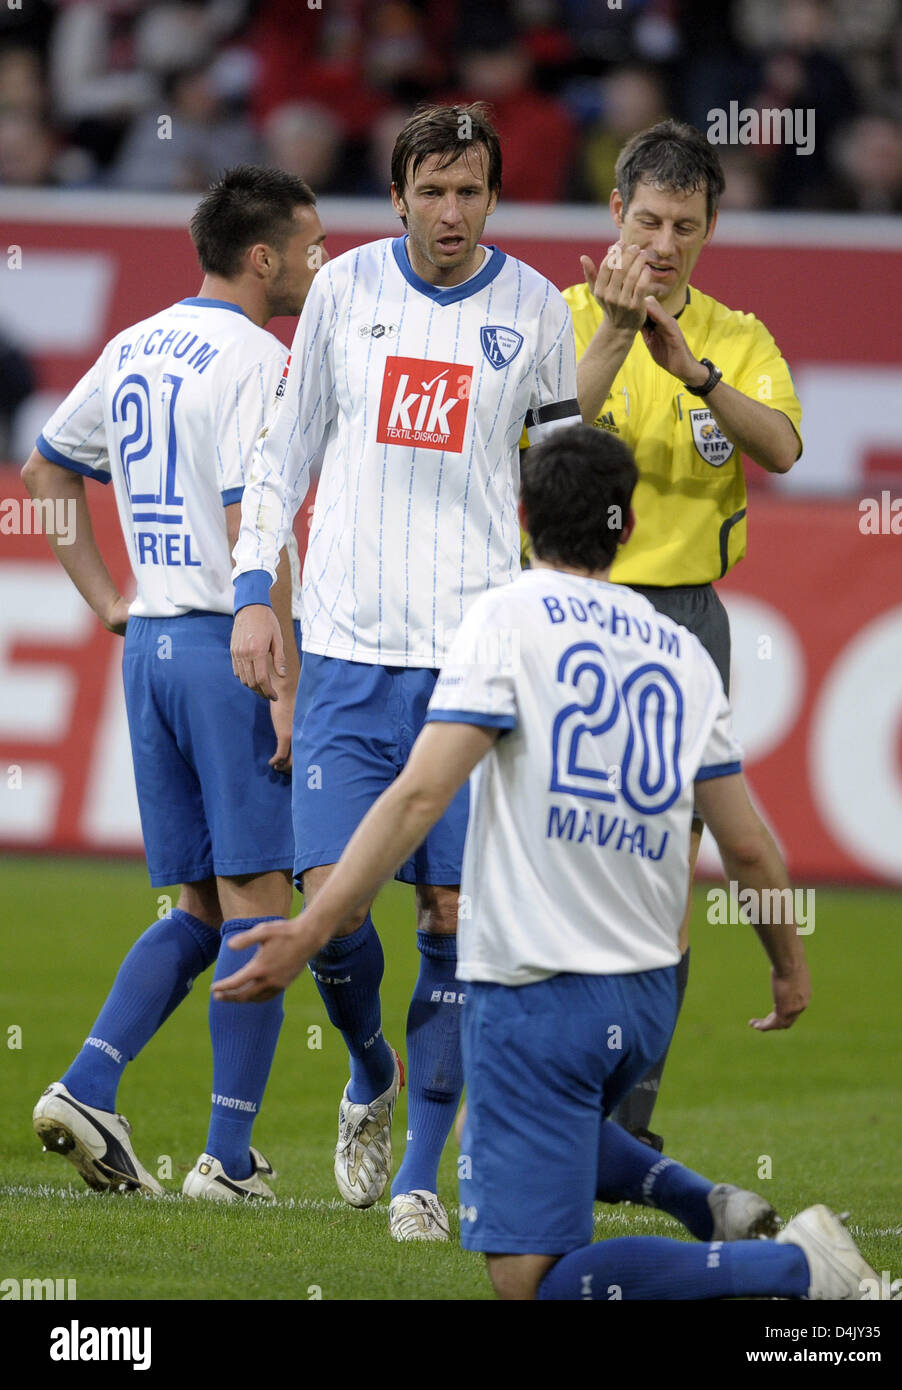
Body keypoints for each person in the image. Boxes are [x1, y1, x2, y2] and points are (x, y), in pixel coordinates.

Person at [213, 424, 882, 1303]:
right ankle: (701, 1203)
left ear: (521, 518)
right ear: (628, 526)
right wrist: (788, 970)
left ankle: (794, 1270)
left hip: (539, 988)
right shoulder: (680, 653)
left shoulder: (504, 617)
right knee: (550, 1113)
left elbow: (418, 798)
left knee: (526, 1277)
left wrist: (309, 927)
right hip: (643, 997)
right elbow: (747, 845)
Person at [229, 102, 580, 1241]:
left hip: (475, 659)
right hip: (342, 648)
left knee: (450, 909)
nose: (450, 211)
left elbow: (562, 486)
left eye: (470, 190)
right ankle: (371, 1069)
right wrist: (252, 597)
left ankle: (425, 1172)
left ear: (492, 196)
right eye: (431, 190)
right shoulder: (342, 294)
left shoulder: (534, 309)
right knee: (330, 911)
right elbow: (281, 458)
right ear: (396, 197)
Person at [23, 165, 327, 1201]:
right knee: (257, 904)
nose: (318, 261)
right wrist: (282, 675)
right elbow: (262, 519)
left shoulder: (136, 340)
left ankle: (88, 1084)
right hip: (224, 648)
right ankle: (227, 1160)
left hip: (148, 646)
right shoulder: (260, 359)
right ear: (262, 257)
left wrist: (108, 599)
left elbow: (44, 472)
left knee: (197, 902)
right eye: (309, 245)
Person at [566, 118, 803, 1148]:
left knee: (665, 873)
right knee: (544, 857)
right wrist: (620, 337)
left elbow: (784, 447)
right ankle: (533, 1105)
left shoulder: (737, 336)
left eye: (686, 226)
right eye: (650, 220)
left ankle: (629, 1119)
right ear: (615, 213)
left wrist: (698, 372)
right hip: (566, 608)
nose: (664, 244)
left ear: (709, 229)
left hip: (683, 621)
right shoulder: (560, 315)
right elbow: (535, 436)